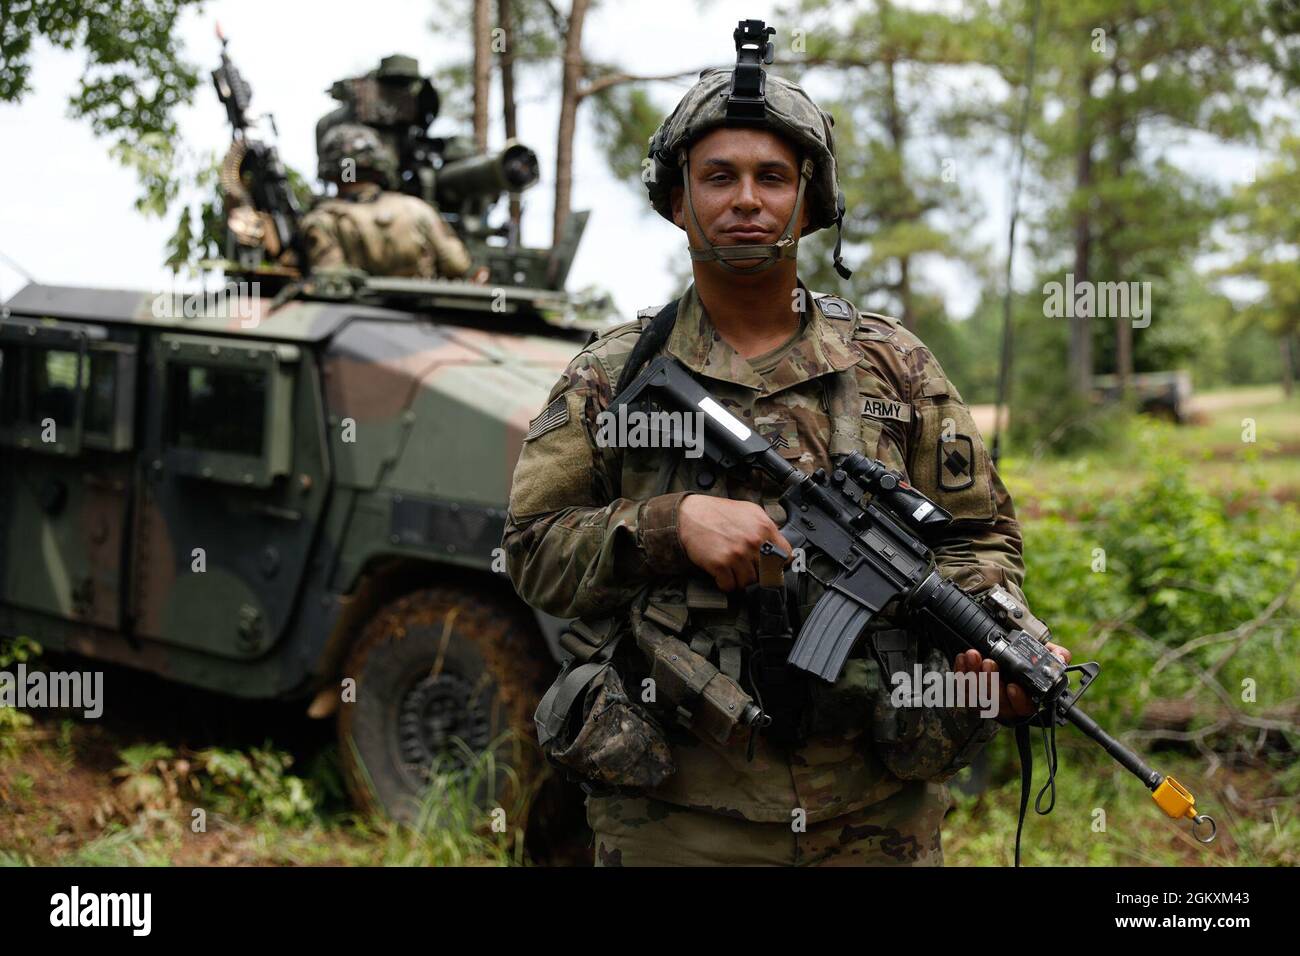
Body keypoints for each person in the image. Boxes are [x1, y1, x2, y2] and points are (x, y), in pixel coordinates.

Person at [504, 25, 1070, 867]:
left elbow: (979, 537)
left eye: (773, 178)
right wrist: (670, 522)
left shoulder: (896, 364)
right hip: (677, 809)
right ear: (676, 201)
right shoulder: (612, 375)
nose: (746, 200)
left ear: (810, 203)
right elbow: (531, 552)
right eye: (718, 177)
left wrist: (998, 637)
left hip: (874, 808)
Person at [301, 123, 476, 280]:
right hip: (422, 314)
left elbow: (330, 280)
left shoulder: (323, 220)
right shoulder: (417, 209)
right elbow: (456, 265)